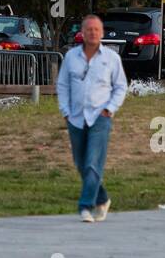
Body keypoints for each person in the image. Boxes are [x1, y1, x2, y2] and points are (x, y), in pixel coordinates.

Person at [54, 13, 128, 223]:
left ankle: (85, 206)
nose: (92, 33)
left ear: (102, 33)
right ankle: (102, 198)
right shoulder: (71, 57)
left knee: (93, 162)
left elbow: (121, 86)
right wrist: (65, 111)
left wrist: (110, 109)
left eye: (96, 30)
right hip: (76, 118)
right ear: (82, 33)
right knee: (81, 163)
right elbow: (63, 85)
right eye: (88, 30)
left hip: (100, 117)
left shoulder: (111, 59)